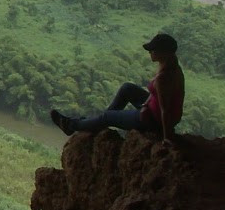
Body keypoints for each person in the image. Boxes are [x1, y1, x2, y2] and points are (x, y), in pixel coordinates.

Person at [51, 33, 184, 142]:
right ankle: (99, 122)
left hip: (152, 120)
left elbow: (165, 110)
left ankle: (71, 125)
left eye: (153, 49)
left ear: (164, 52)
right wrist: (145, 105)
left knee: (107, 116)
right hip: (153, 110)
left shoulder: (163, 78)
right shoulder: (171, 66)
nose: (150, 52)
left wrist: (167, 137)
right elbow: (158, 96)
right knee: (127, 88)